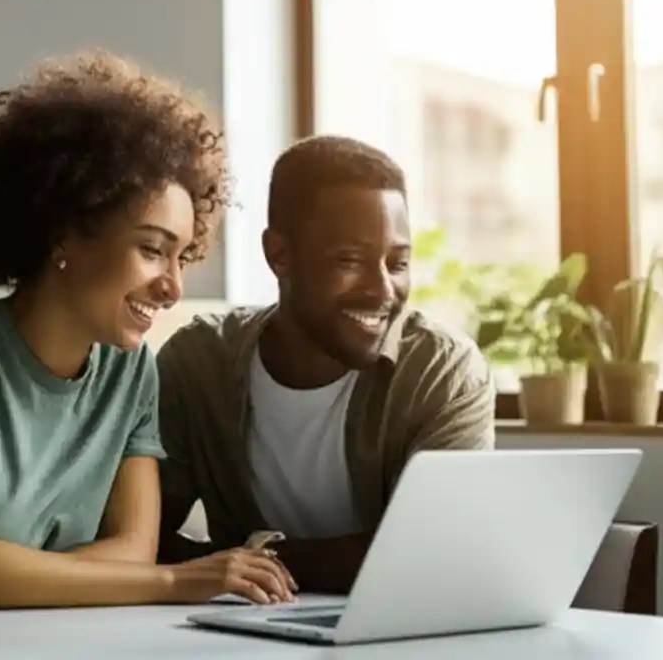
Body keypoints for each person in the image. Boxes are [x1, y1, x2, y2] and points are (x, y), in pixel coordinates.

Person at [0, 50, 296, 610]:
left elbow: (132, 551)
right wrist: (180, 581)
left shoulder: (130, 371)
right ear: (62, 234)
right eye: (152, 250)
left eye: (182, 257)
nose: (173, 286)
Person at [156, 135, 496, 592]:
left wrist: (246, 559)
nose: (382, 291)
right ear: (279, 255)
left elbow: (432, 555)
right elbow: (144, 537)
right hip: (243, 633)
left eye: (397, 263)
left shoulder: (443, 372)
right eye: (350, 260)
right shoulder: (198, 363)